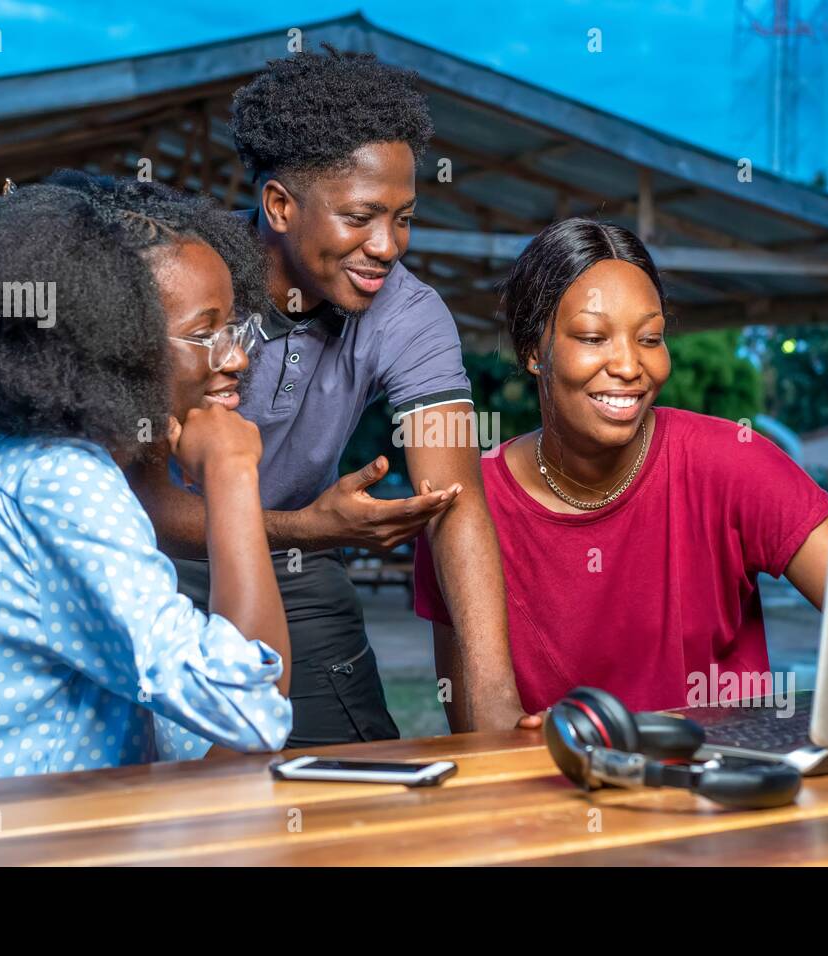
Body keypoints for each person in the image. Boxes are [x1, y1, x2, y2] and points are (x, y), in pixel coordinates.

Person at [129, 47, 534, 748]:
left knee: (360, 781)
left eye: (403, 217)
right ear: (280, 206)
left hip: (293, 573)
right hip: (145, 559)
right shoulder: (184, 285)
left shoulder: (409, 313)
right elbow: (142, 504)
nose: (387, 246)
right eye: (360, 217)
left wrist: (495, 692)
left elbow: (455, 502)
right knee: (142, 788)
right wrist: (311, 528)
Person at [0, 173, 291, 788]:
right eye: (204, 334)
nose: (237, 358)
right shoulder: (58, 483)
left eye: (236, 329)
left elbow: (215, 732)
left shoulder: (54, 470)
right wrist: (231, 475)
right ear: (111, 349)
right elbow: (252, 707)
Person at [414, 218, 828, 719]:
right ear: (533, 352)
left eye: (650, 338)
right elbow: (473, 731)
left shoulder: (733, 462)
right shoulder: (469, 505)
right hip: (556, 788)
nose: (631, 366)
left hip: (722, 784)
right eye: (593, 337)